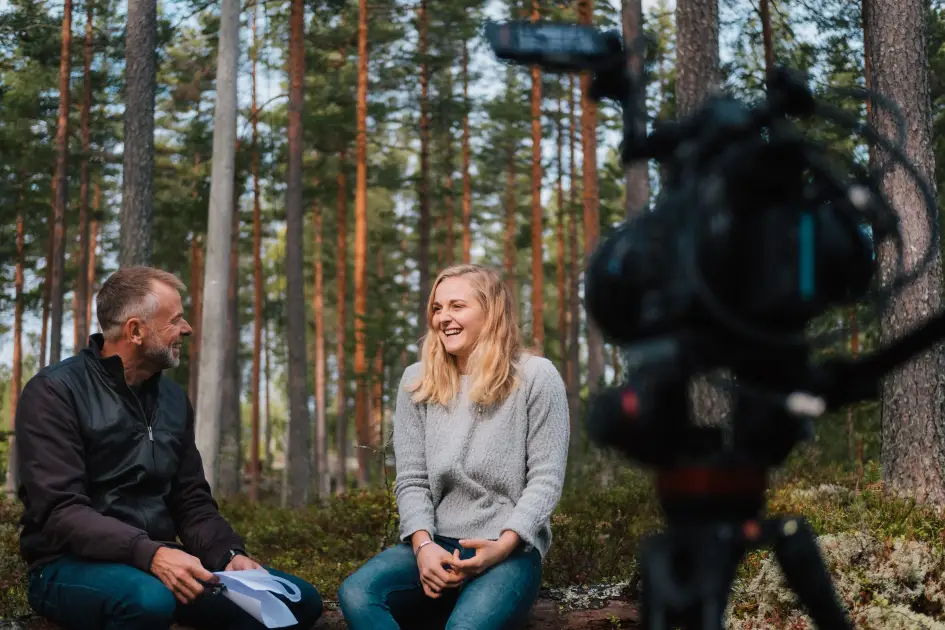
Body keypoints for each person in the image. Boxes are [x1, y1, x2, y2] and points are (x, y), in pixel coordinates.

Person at [15, 266, 323, 630]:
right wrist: (150, 554)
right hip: (67, 564)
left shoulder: (174, 400)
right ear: (135, 330)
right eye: (175, 320)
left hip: (162, 561)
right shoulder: (54, 392)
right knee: (149, 602)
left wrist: (228, 556)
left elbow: (190, 499)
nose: (187, 329)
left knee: (295, 598)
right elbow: (59, 512)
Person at [338, 264, 571, 629]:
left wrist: (502, 546)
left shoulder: (537, 377)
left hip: (510, 550)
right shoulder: (417, 381)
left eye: (457, 306)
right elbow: (411, 479)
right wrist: (423, 546)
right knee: (357, 593)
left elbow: (546, 479)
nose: (443, 318)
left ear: (491, 311)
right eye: (437, 308)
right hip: (436, 543)